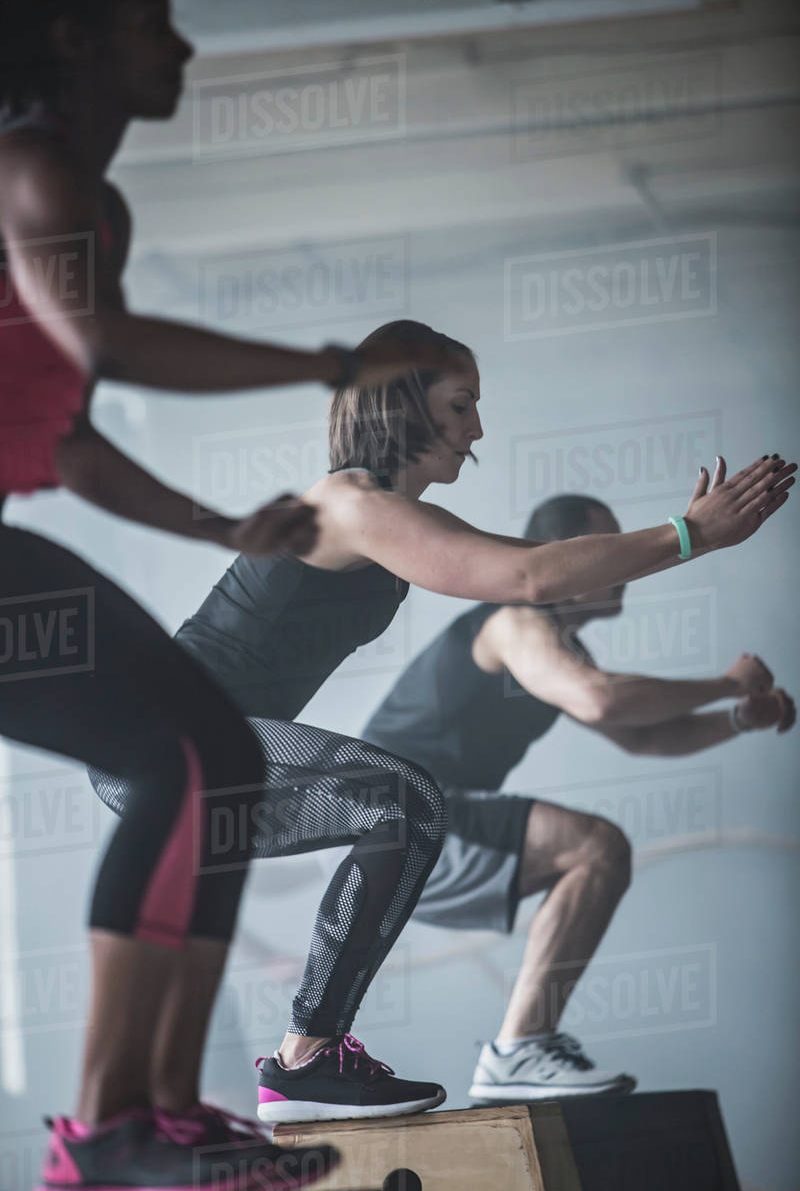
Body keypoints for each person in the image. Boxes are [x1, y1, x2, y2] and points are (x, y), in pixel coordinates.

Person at [91, 315, 795, 1126]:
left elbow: (559, 621)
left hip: (194, 749)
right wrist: (687, 535)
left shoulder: (388, 526)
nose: (477, 430)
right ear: (400, 405)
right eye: (461, 405)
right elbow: (529, 572)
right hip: (163, 734)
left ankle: (302, 1061)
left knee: (400, 806)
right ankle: (304, 1062)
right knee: (407, 798)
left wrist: (730, 697)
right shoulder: (352, 504)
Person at [0, 0, 460, 1187]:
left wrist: (213, 524)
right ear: (74, 39)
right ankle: (116, 1127)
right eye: (155, 24)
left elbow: (69, 443)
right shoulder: (35, 171)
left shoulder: (94, 205)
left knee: (208, 754)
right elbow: (111, 344)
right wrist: (333, 363)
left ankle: (147, 1117)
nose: (184, 46)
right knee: (195, 750)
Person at [361, 491, 796, 1102]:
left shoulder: (561, 647)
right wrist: (725, 683)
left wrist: (738, 719)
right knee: (596, 846)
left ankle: (525, 1045)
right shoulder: (514, 622)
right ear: (571, 559)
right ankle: (519, 1050)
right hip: (390, 817)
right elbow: (603, 699)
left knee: (594, 855)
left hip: (415, 821)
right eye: (603, 549)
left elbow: (644, 738)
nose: (618, 564)